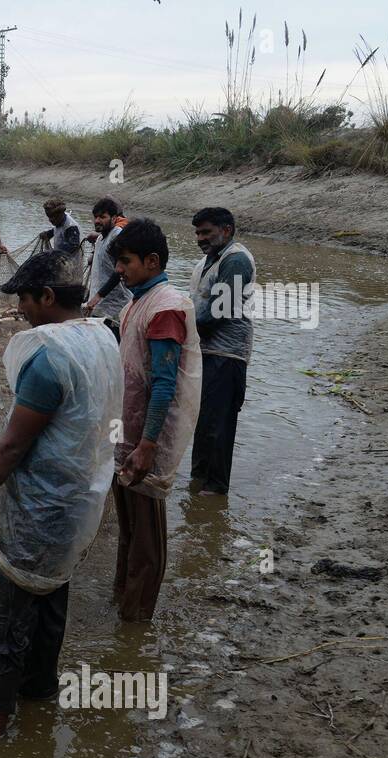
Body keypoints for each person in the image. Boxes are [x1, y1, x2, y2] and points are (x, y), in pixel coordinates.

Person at [0, 250, 122, 740]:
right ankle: (38, 703)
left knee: (4, 627)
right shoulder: (102, 336)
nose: (19, 308)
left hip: (38, 515)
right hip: (78, 507)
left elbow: (10, 447)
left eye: (23, 297)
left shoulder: (49, 356)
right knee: (49, 607)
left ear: (46, 296)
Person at [108, 219, 201, 622]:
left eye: (125, 262)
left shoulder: (165, 307)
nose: (119, 270)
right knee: (128, 530)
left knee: (146, 538)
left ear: (152, 261)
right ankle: (122, 605)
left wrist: (147, 445)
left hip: (148, 440)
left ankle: (136, 622)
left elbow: (164, 384)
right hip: (128, 434)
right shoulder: (136, 303)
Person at [188, 207, 256, 496]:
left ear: (226, 230)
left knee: (218, 422)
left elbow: (221, 310)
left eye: (206, 232)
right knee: (202, 419)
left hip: (227, 355)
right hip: (207, 350)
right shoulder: (210, 260)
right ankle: (198, 479)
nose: (200, 238)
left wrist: (182, 330)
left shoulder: (236, 260)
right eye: (198, 233)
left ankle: (215, 488)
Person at [81, 196, 131, 337]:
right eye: (96, 217)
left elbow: (119, 271)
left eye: (102, 217)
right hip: (99, 306)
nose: (97, 221)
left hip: (115, 307)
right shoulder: (100, 238)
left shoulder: (117, 236)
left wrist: (97, 296)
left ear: (114, 218)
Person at [38, 198, 82, 271]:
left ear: (60, 214)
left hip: (70, 267)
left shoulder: (71, 227)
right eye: (49, 217)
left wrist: (53, 254)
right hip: (60, 263)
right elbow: (57, 230)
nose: (50, 220)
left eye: (52, 217)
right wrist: (48, 234)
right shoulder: (59, 221)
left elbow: (74, 245)